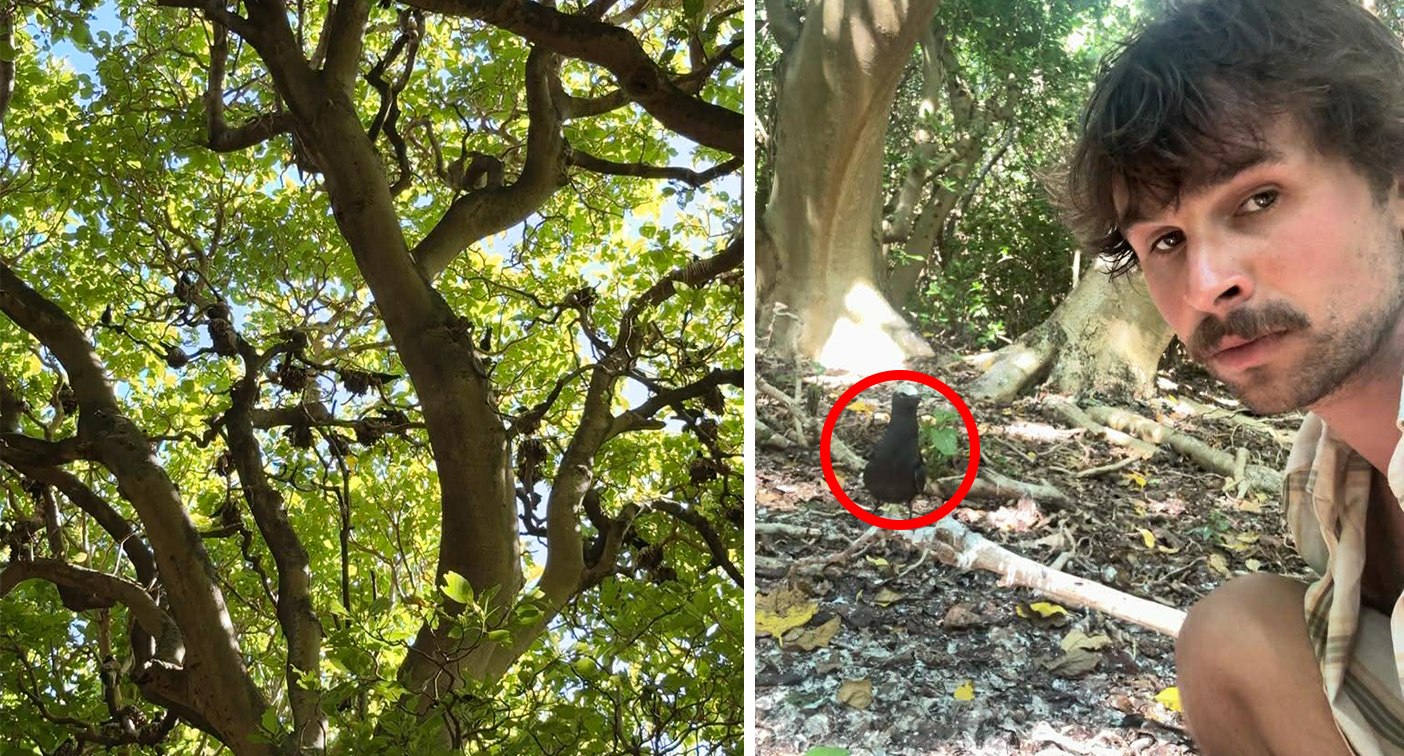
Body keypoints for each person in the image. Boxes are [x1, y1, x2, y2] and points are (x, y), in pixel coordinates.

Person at [1058, 0, 1404, 753]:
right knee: (1237, 632)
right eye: (1167, 240)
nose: (1206, 283)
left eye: (1259, 199)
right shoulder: (1322, 476)